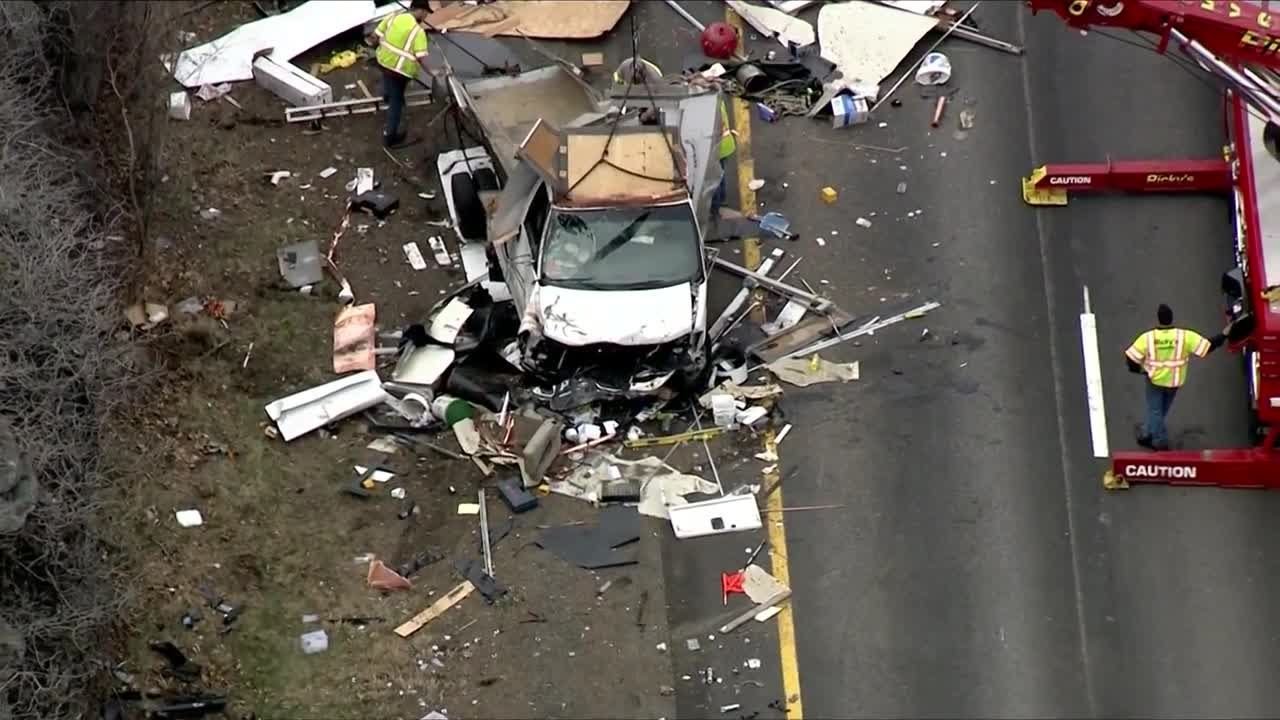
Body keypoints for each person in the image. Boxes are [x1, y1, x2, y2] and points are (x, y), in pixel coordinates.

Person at [1124, 303, 1230, 451]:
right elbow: (1207, 347)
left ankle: (1159, 441)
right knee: (1160, 410)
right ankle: (1148, 431)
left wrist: (1139, 370)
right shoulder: (1184, 336)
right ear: (1171, 318)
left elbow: (1131, 357)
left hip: (1155, 381)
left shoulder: (1148, 338)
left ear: (1158, 319)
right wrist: (1224, 335)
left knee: (1155, 411)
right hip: (1175, 382)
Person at [369, 1, 431, 148]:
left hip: (384, 62)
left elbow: (374, 37)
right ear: (420, 11)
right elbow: (422, 57)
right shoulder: (418, 31)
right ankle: (390, 137)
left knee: (388, 82)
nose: (426, 15)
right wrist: (433, 72)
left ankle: (386, 96)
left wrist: (379, 48)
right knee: (396, 103)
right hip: (400, 72)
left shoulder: (393, 17)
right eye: (426, 12)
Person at [710, 96, 736, 219]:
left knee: (713, 179)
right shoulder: (718, 101)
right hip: (725, 145)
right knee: (721, 175)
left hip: (716, 149)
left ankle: (715, 207)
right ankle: (721, 200)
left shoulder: (708, 108)